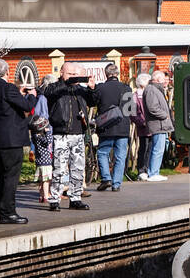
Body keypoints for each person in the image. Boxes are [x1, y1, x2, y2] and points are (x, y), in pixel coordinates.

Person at [0, 58, 38, 224]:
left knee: (1, 175)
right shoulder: (8, 88)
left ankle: (2, 211)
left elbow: (5, 104)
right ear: (7, 72)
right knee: (11, 177)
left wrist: (18, 93)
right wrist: (31, 96)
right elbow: (27, 107)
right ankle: (9, 212)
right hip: (11, 139)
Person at [43, 63, 99, 210]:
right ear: (62, 72)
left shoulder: (79, 89)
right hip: (61, 134)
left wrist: (92, 88)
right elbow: (48, 92)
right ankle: (54, 199)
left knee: (78, 168)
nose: (73, 77)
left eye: (75, 74)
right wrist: (67, 83)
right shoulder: (54, 87)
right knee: (59, 169)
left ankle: (75, 198)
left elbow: (93, 101)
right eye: (70, 74)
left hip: (78, 133)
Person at [93, 63, 132, 192]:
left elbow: (93, 102)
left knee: (103, 152)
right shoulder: (126, 88)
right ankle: (116, 184)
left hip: (107, 126)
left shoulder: (101, 88)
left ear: (106, 74)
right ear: (117, 74)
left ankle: (106, 178)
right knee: (120, 156)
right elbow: (130, 110)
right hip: (123, 127)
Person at [142, 70, 174, 181]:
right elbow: (153, 108)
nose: (165, 81)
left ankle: (154, 171)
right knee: (158, 149)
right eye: (163, 79)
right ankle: (153, 172)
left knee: (158, 148)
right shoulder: (152, 90)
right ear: (158, 79)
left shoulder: (155, 89)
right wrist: (165, 115)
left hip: (160, 124)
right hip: (158, 124)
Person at [31, 74, 56, 203]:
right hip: (45, 133)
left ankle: (45, 193)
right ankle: (47, 193)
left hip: (45, 134)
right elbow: (41, 117)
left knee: (44, 173)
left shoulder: (43, 97)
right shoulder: (42, 98)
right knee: (46, 173)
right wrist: (46, 131)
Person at [130, 71, 152, 180]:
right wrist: (141, 122)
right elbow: (132, 114)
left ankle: (148, 169)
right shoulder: (135, 96)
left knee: (151, 149)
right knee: (144, 148)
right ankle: (142, 170)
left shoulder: (149, 94)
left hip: (152, 127)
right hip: (143, 127)